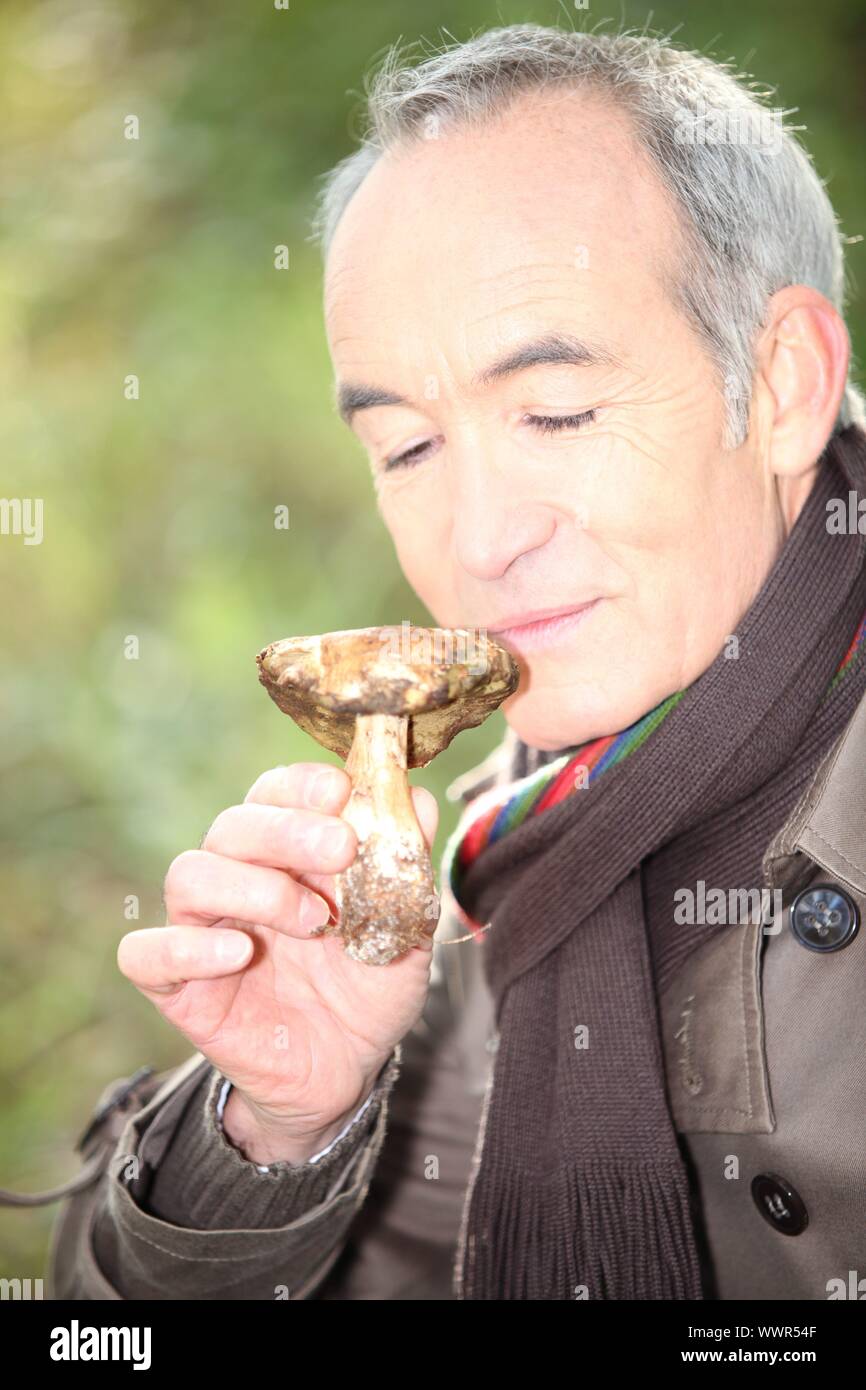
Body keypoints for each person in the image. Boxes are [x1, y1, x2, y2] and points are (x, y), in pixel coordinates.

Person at [46, 24, 866, 1300]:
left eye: (554, 413)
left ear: (781, 384)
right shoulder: (486, 866)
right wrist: (277, 1136)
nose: (480, 542)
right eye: (408, 449)